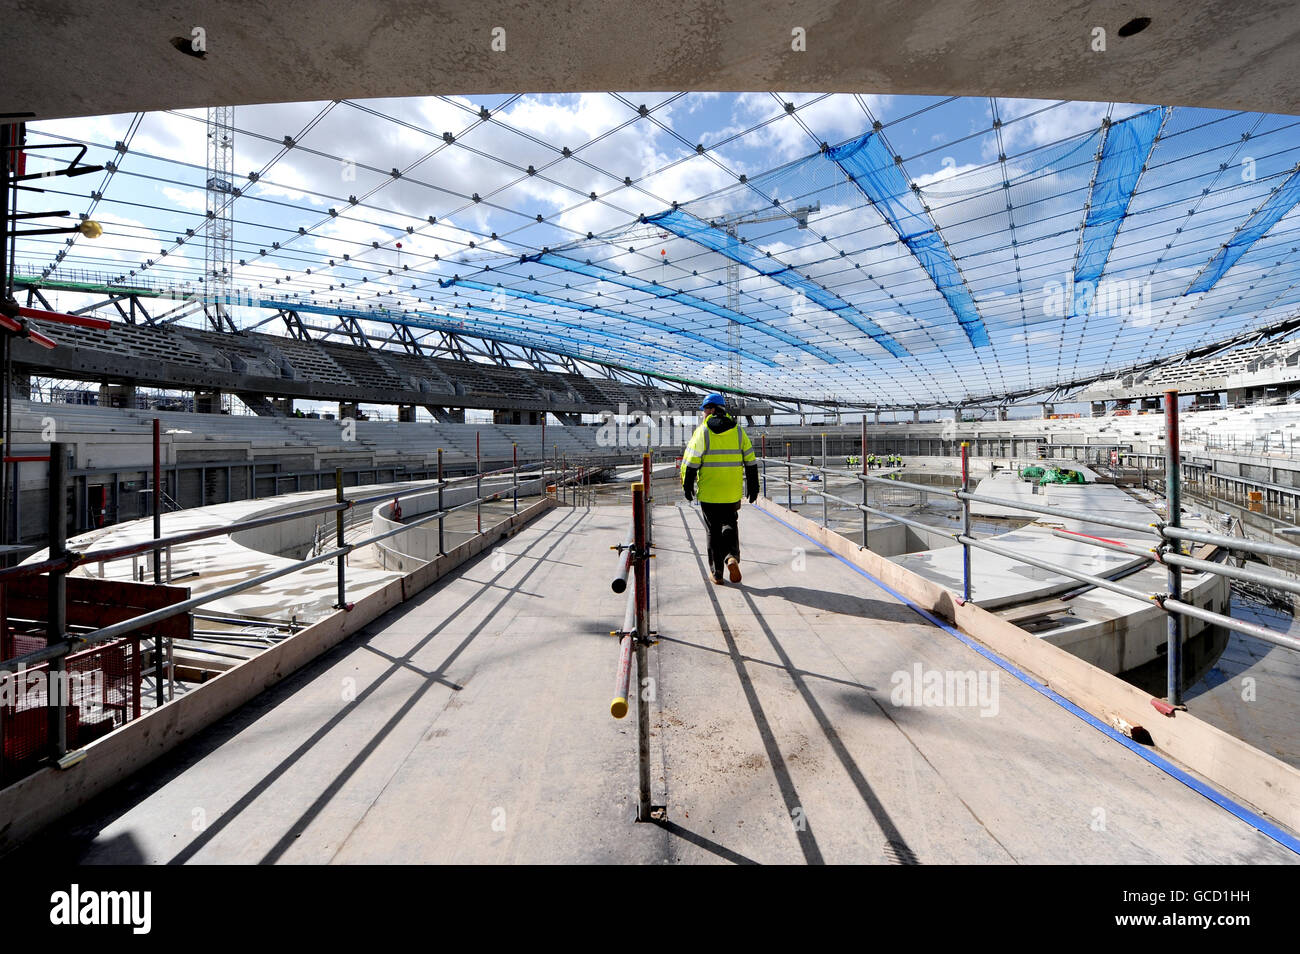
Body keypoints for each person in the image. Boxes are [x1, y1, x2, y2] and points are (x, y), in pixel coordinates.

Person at [681, 393, 758, 585]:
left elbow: (691, 462)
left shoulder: (703, 432)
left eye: (705, 409)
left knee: (713, 531)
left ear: (713, 409)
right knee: (730, 522)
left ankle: (717, 573)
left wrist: (687, 485)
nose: (704, 414)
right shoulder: (739, 431)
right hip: (732, 491)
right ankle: (731, 556)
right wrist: (753, 485)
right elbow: (751, 461)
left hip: (709, 492)